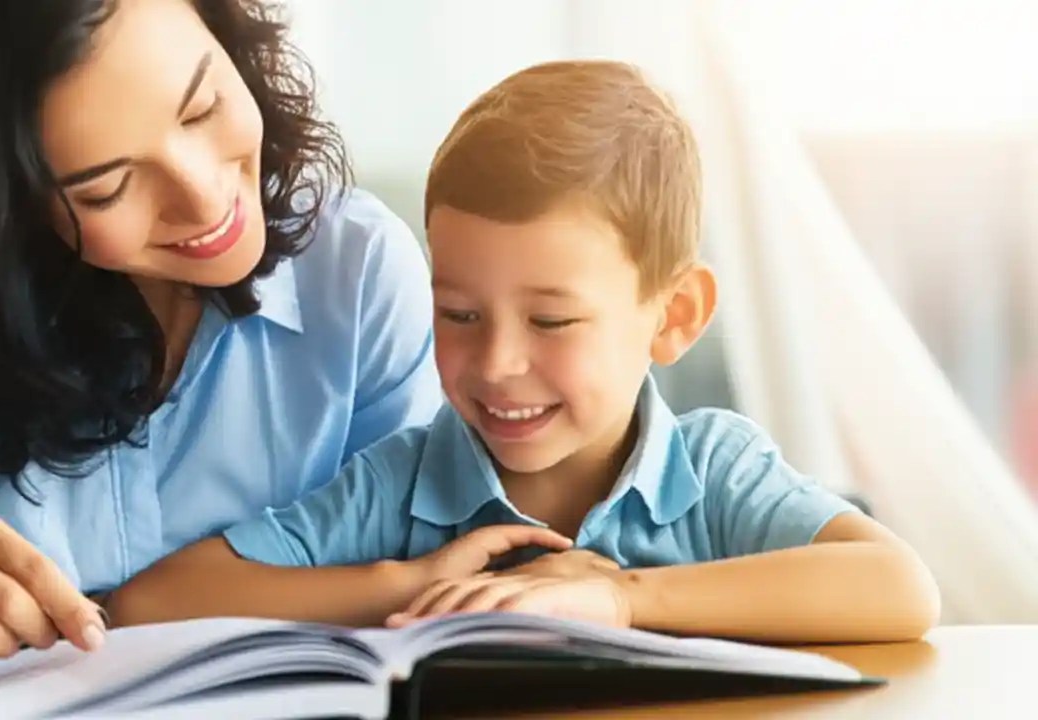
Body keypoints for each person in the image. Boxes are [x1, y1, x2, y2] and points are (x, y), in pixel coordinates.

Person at [110, 60, 942, 643]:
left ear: (674, 315)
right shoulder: (400, 485)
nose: (497, 362)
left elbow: (900, 590)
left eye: (551, 322)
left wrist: (619, 599)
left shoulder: (716, 471)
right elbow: (153, 603)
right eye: (459, 314)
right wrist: (409, 584)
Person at [0, 0, 447, 699]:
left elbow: (442, 577)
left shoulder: (357, 273)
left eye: (203, 107)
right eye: (108, 187)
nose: (206, 199)